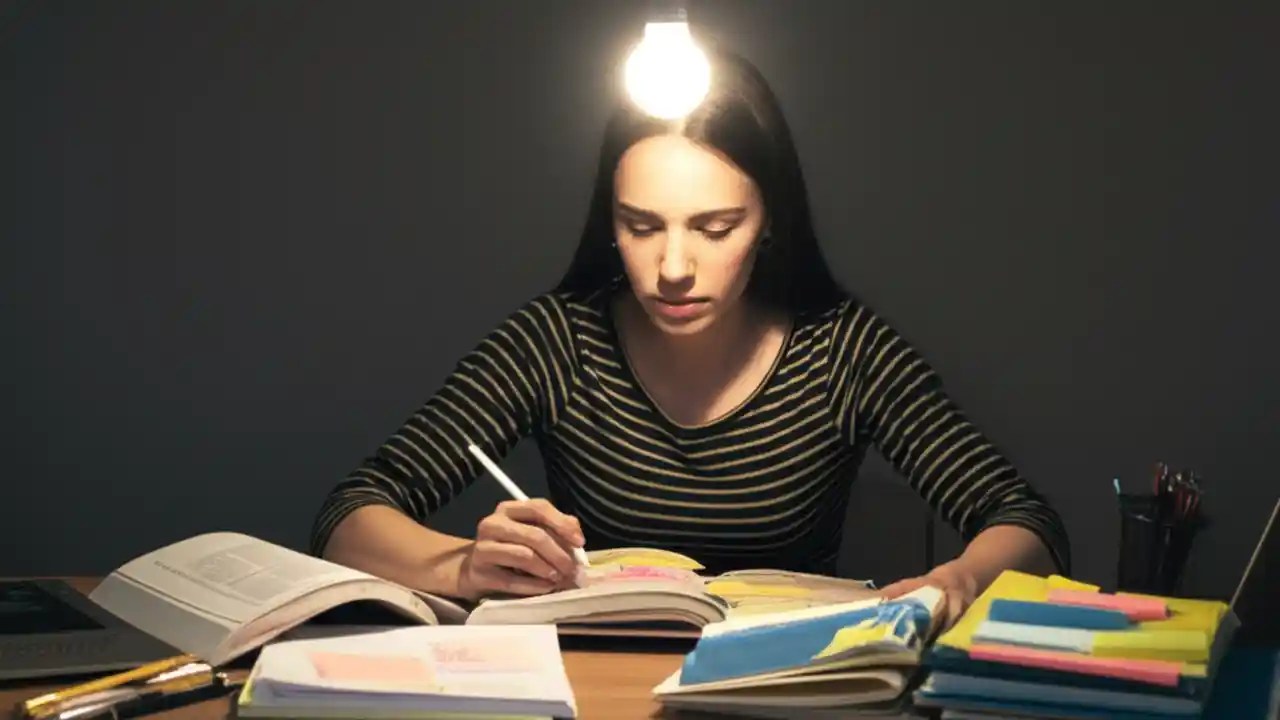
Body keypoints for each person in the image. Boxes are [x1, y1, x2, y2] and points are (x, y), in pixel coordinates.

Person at [310, 45, 1069, 628]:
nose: (674, 268)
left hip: (788, 686)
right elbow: (348, 517)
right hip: (596, 686)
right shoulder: (558, 341)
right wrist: (466, 566)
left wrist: (957, 581)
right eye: (641, 226)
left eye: (715, 227)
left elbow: (1026, 521)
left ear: (768, 222)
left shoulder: (843, 350)